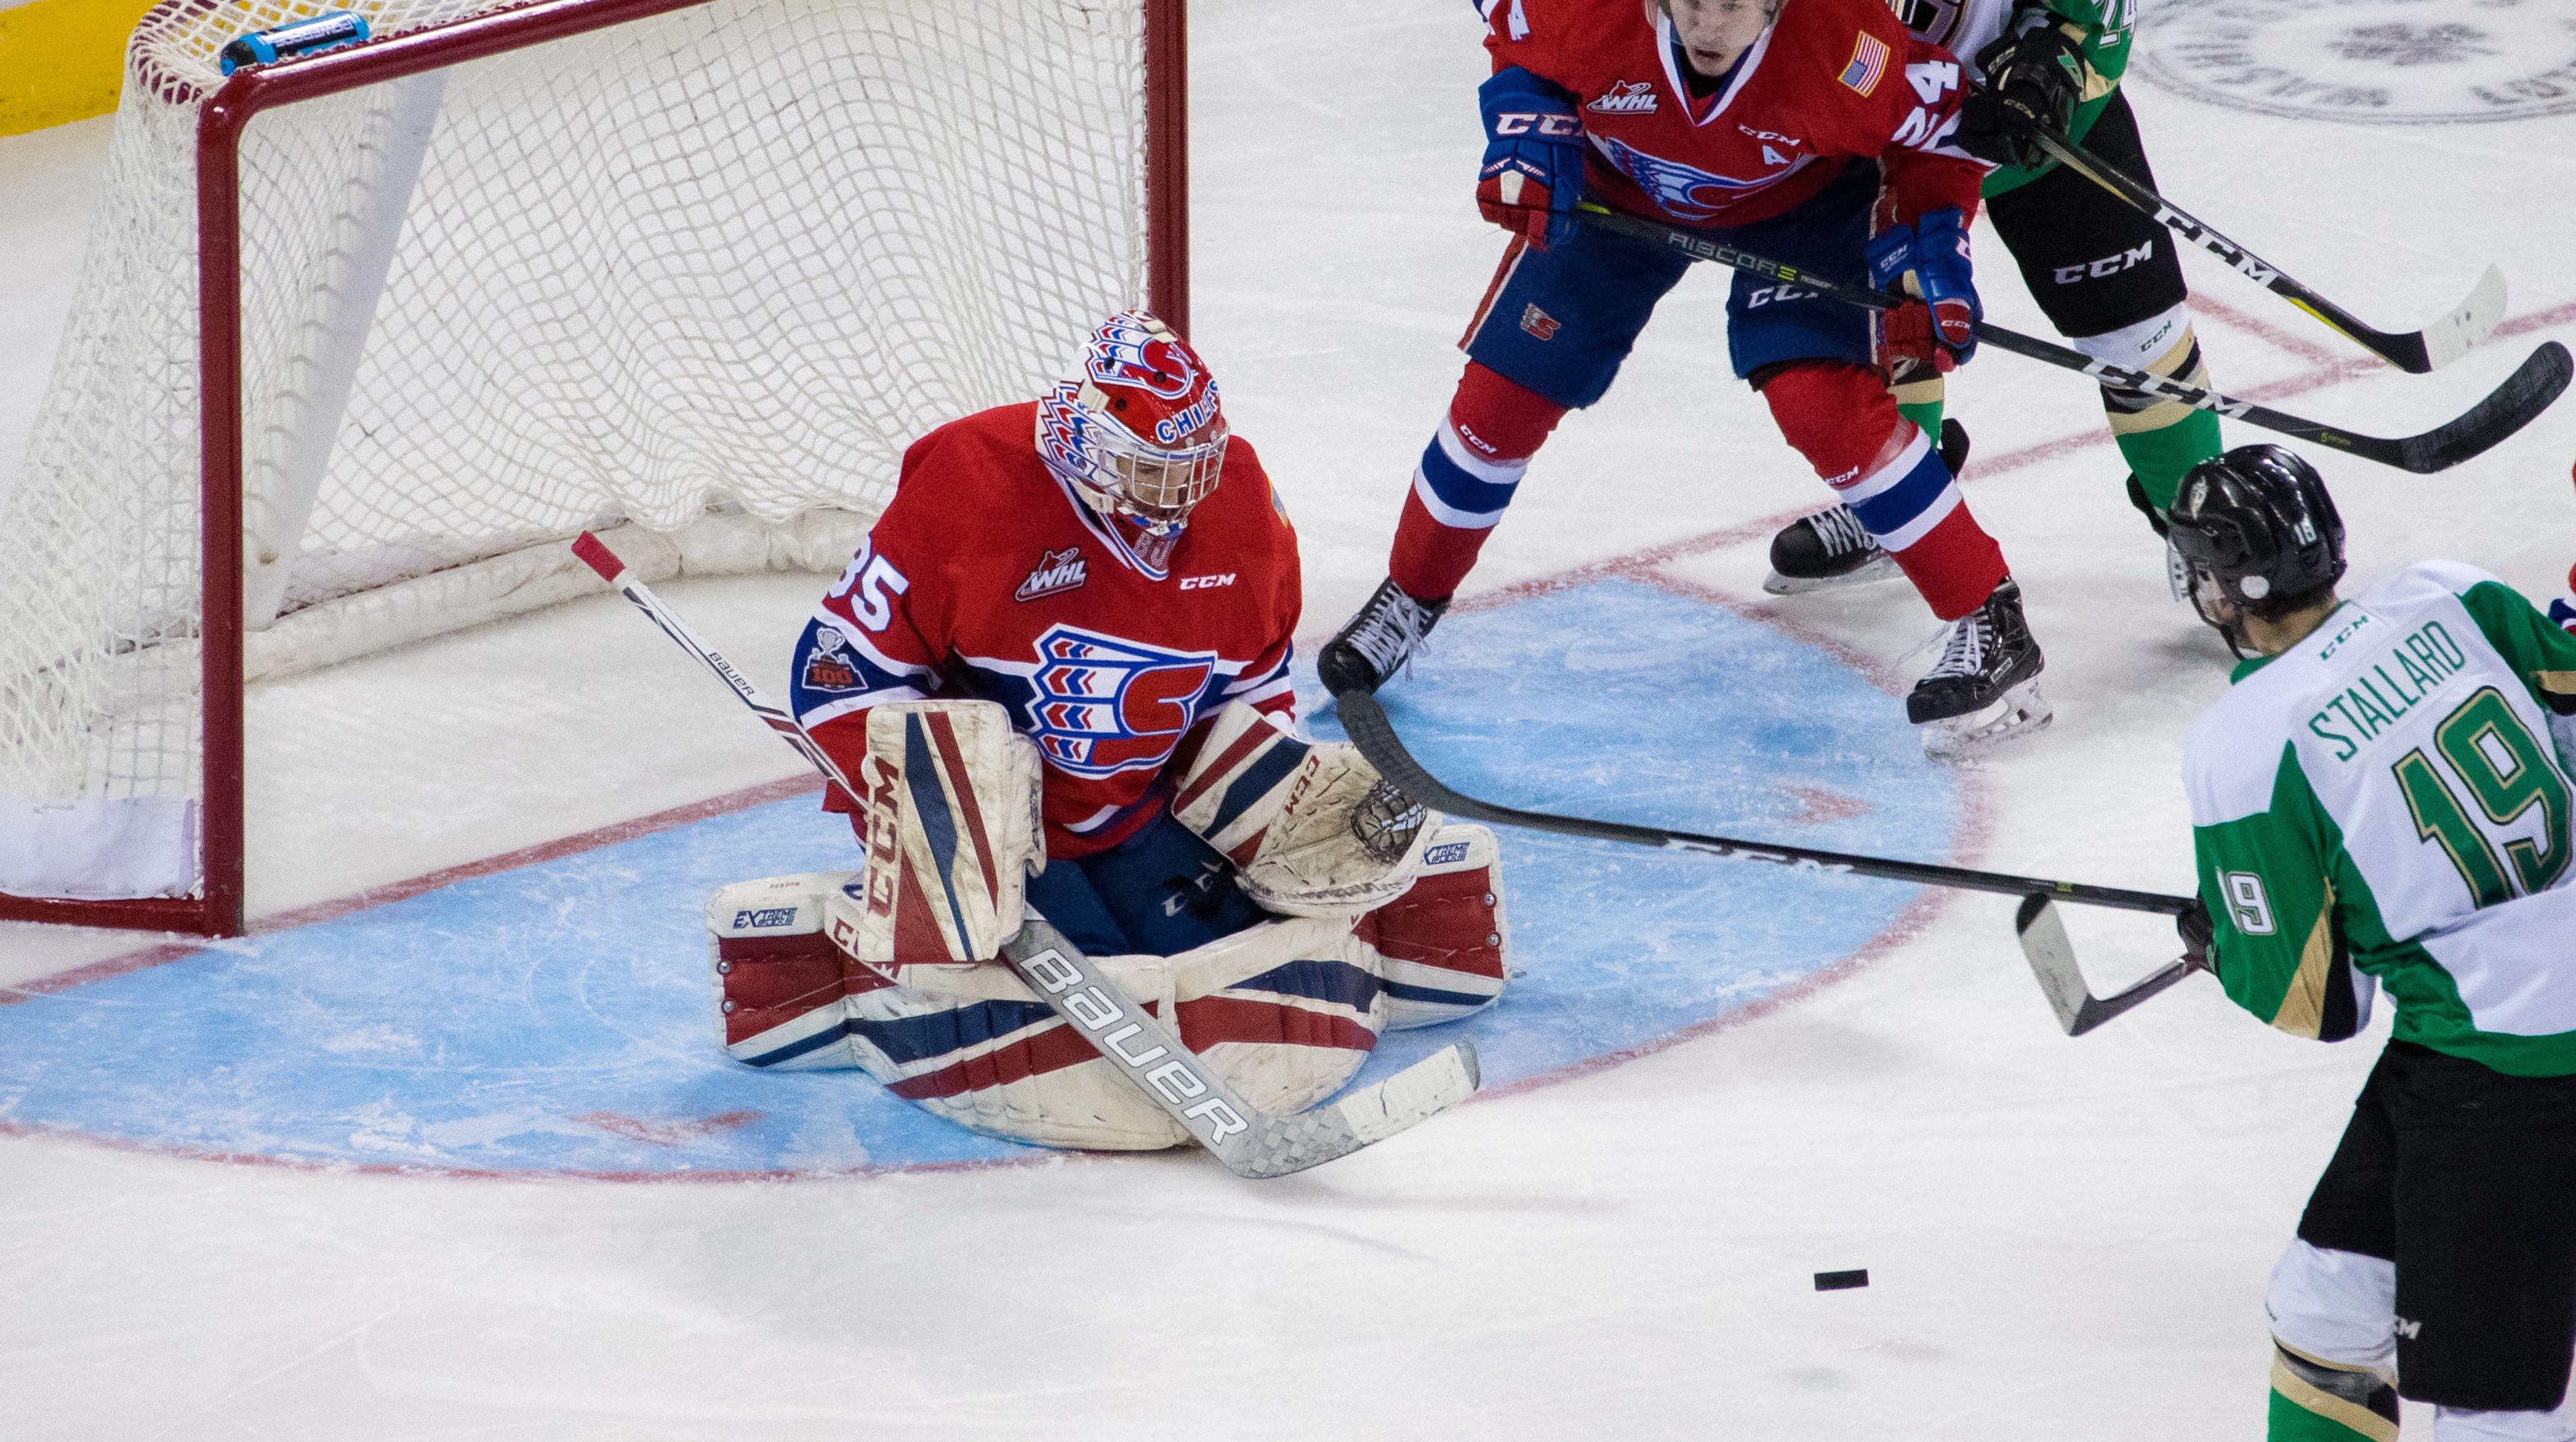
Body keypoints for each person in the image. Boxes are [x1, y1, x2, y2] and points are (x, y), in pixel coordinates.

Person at [700, 312, 1511, 1151]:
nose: (1177, 496)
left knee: (1234, 952)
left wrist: (1272, 801)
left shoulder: (1239, 505)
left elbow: (1253, 686)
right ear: (1083, 437)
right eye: (1150, 469)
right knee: (1079, 984)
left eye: (1191, 468)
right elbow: (835, 678)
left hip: (1137, 811)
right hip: (1004, 837)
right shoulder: (970, 483)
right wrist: (937, 820)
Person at [1317, 0, 2049, 755]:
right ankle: (1409, 596)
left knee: (1820, 407)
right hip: (1615, 189)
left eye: (1730, 6)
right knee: (1501, 400)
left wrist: (1931, 252)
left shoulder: (1846, 44)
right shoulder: (1585, 11)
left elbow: (1945, 140)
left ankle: (1990, 620)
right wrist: (1528, 130)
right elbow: (1518, 51)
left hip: (1797, 209)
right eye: (1691, 0)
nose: (1705, 26)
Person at [2169, 444, 2576, 1442]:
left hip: (2507, 1066)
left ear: (2221, 587)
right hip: (2469, 1044)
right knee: (2327, 1305)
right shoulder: (2452, 595)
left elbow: (2315, 1005)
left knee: (2496, 1410)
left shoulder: (2244, 742)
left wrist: (2228, 938)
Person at [1766, 0, 2224, 598]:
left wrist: (2057, 60)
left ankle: (2208, 530)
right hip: (1875, 146)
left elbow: (2104, 15)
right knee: (1895, 321)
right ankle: (1900, 500)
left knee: (2137, 339)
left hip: (2037, 133)